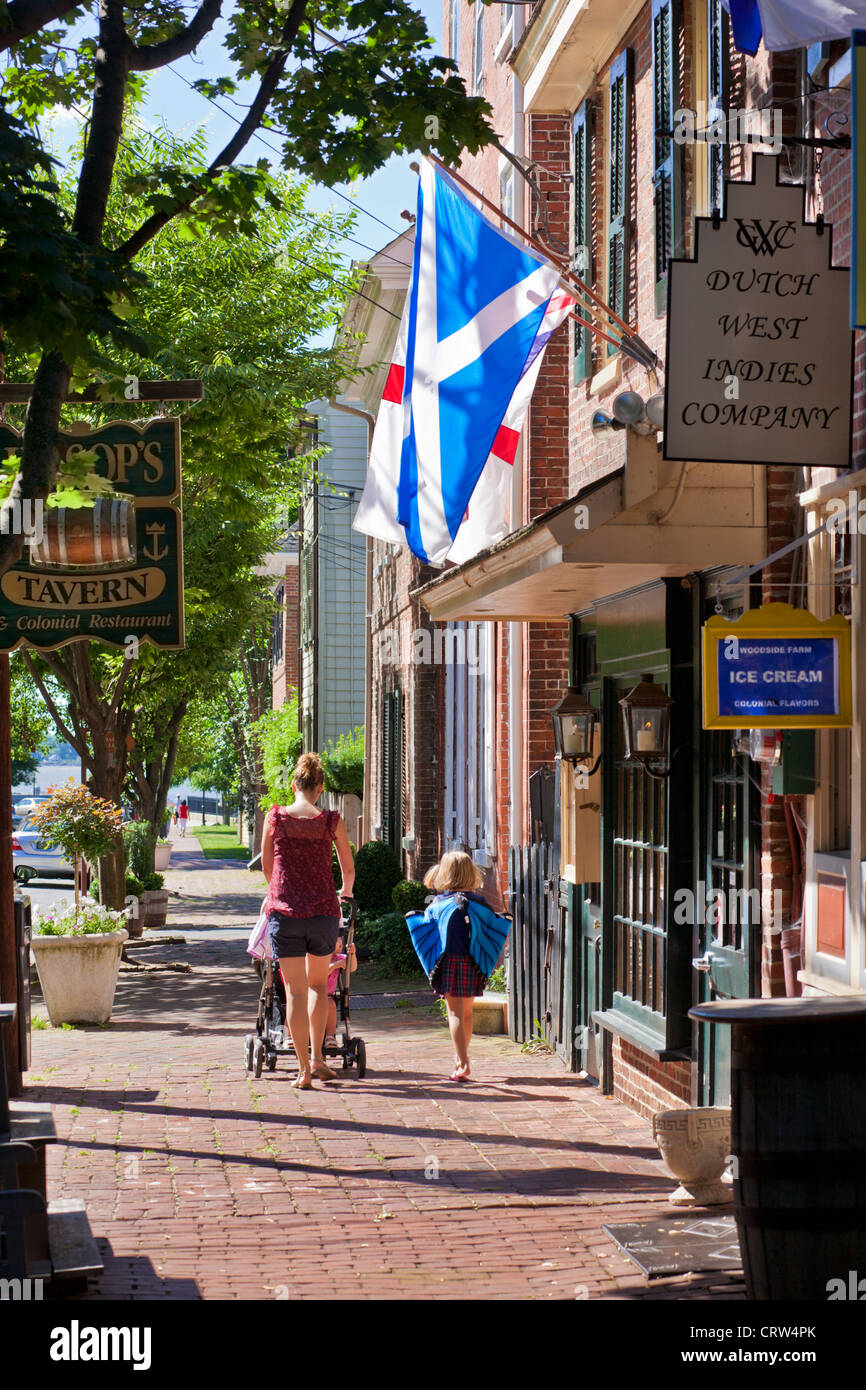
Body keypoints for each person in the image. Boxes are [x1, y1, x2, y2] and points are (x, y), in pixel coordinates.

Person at [261, 752, 355, 1089]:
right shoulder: (331, 821)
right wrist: (343, 891)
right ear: (320, 786)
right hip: (322, 914)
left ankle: (303, 1071)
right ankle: (318, 1058)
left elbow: (268, 868)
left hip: (284, 914)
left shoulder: (276, 819)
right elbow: (347, 870)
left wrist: (277, 893)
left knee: (294, 991)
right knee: (319, 987)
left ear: (293, 784)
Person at [411, 851, 510, 1083]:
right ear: (470, 873)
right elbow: (491, 927)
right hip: (473, 963)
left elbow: (426, 929)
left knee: (454, 1013)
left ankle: (463, 1063)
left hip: (449, 963)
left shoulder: (439, 904)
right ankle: (460, 1056)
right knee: (466, 1013)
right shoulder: (480, 903)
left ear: (445, 873)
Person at [323, 933, 357, 1052]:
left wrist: (352, 954)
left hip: (327, 996)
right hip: (308, 994)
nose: (340, 945)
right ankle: (289, 1035)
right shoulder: (317, 958)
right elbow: (318, 974)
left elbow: (351, 967)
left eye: (341, 943)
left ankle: (330, 1036)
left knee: (331, 1005)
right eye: (337, 943)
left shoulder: (339, 958)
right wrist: (334, 966)